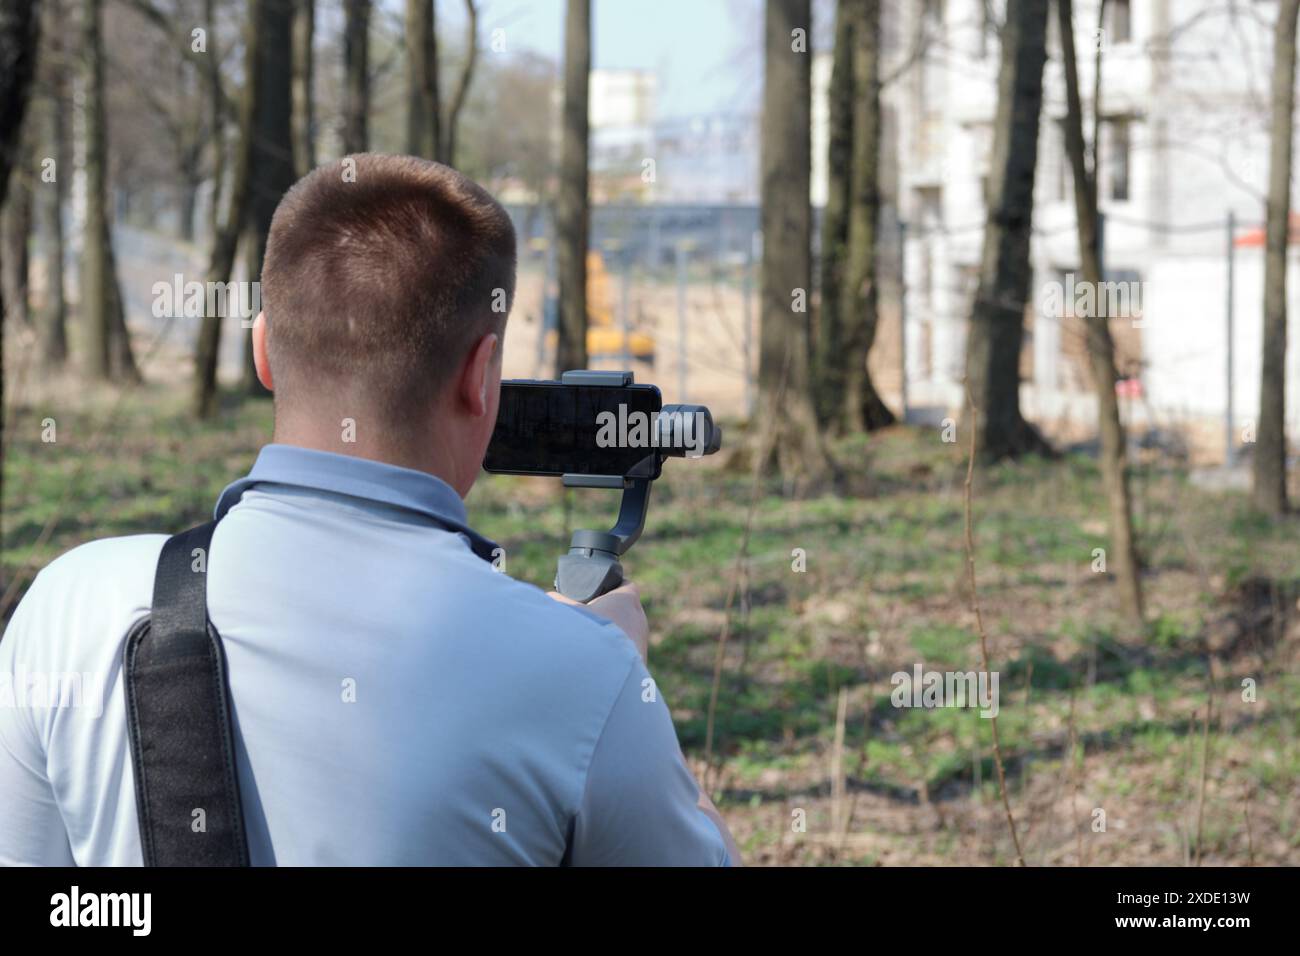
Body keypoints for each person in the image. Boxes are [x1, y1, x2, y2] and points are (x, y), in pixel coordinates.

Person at [0, 154, 739, 867]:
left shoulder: (72, 606)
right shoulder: (583, 673)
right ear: (481, 378)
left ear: (264, 353)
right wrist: (620, 679)